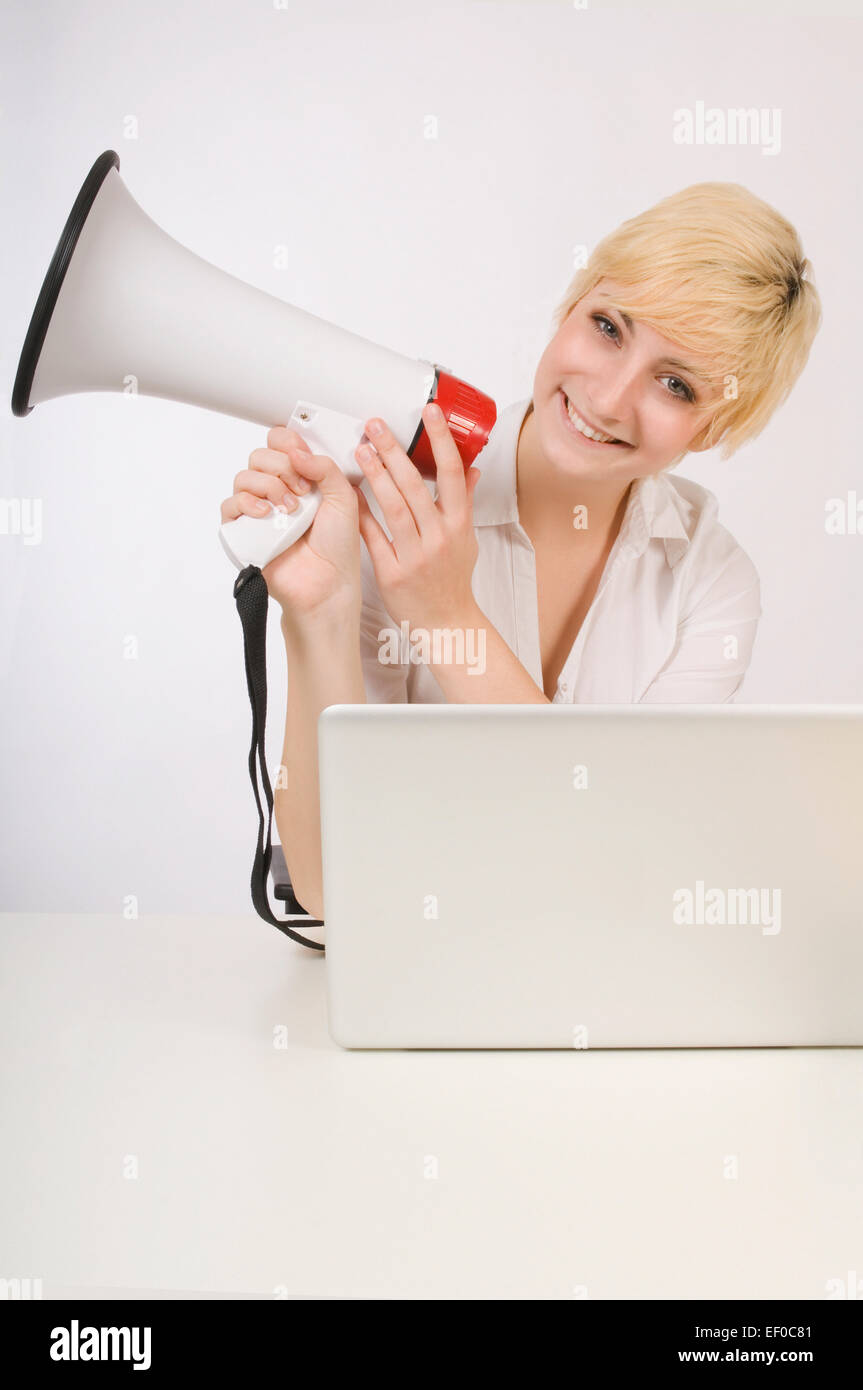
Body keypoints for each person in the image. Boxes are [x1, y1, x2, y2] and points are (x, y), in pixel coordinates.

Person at [219, 182, 821, 920]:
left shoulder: (713, 582)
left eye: (674, 384)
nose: (605, 399)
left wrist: (445, 618)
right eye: (607, 327)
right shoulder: (392, 510)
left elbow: (617, 859)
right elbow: (326, 891)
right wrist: (320, 611)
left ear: (714, 428)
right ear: (570, 305)